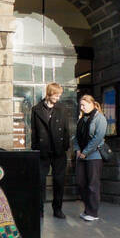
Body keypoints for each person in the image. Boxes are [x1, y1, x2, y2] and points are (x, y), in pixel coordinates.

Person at [26, 82, 75, 220]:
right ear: (49, 93)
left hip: (59, 152)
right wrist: (35, 148)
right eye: (56, 94)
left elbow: (66, 130)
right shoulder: (36, 109)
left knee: (59, 182)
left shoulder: (62, 109)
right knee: (40, 181)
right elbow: (34, 131)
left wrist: (65, 147)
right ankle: (39, 210)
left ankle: (57, 209)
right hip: (42, 152)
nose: (58, 97)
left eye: (60, 95)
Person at [73, 92, 110, 222]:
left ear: (92, 104)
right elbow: (76, 137)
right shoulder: (82, 119)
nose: (81, 107)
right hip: (81, 156)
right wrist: (77, 150)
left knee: (93, 185)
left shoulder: (100, 118)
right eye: (80, 105)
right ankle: (87, 209)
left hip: (94, 156)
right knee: (81, 183)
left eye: (83, 105)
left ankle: (93, 213)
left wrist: (85, 152)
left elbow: (98, 138)